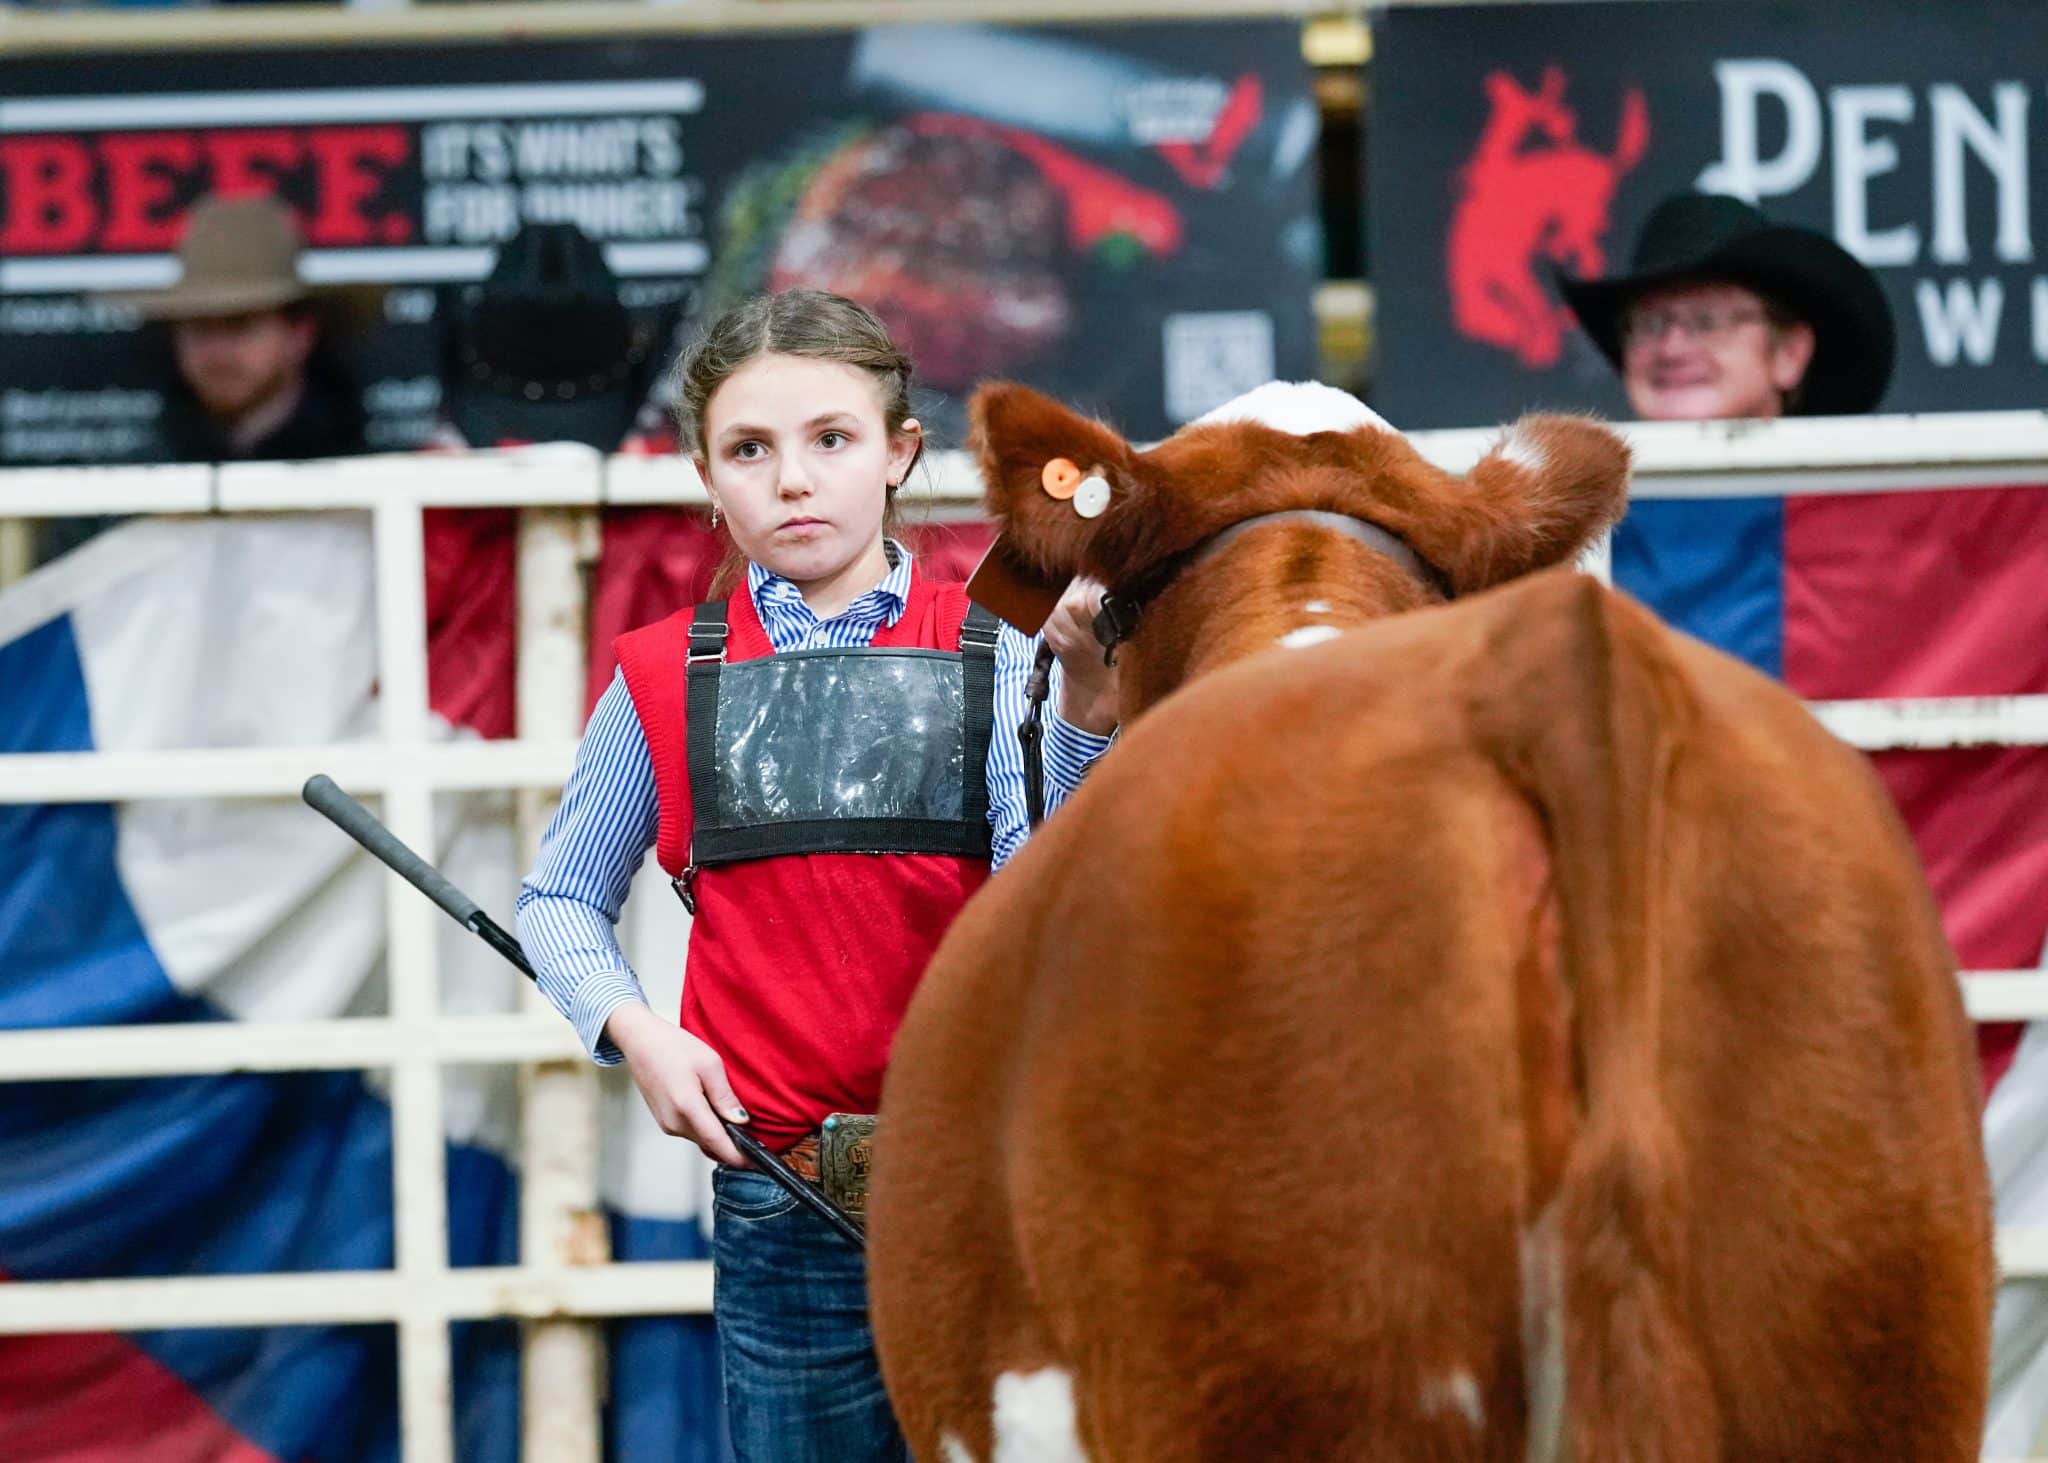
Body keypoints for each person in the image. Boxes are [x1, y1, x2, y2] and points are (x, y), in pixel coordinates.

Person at [515, 288, 1117, 1461]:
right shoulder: (660, 674)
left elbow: (1045, 890)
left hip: (991, 1183)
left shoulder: (1001, 648)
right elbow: (558, 901)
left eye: (830, 439)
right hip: (778, 1197)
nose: (792, 481)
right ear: (706, 477)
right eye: (749, 450)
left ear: (898, 453)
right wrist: (636, 1031)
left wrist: (1087, 713)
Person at [41, 194, 377, 564]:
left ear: (301, 334)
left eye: (239, 324)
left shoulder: (373, 491)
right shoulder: (112, 503)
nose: (217, 351)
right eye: (200, 326)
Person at [1558, 191, 1895, 421]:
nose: (1672, 348)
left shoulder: (1861, 507)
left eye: (1708, 322)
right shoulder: (1576, 509)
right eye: (1650, 324)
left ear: (1789, 353)